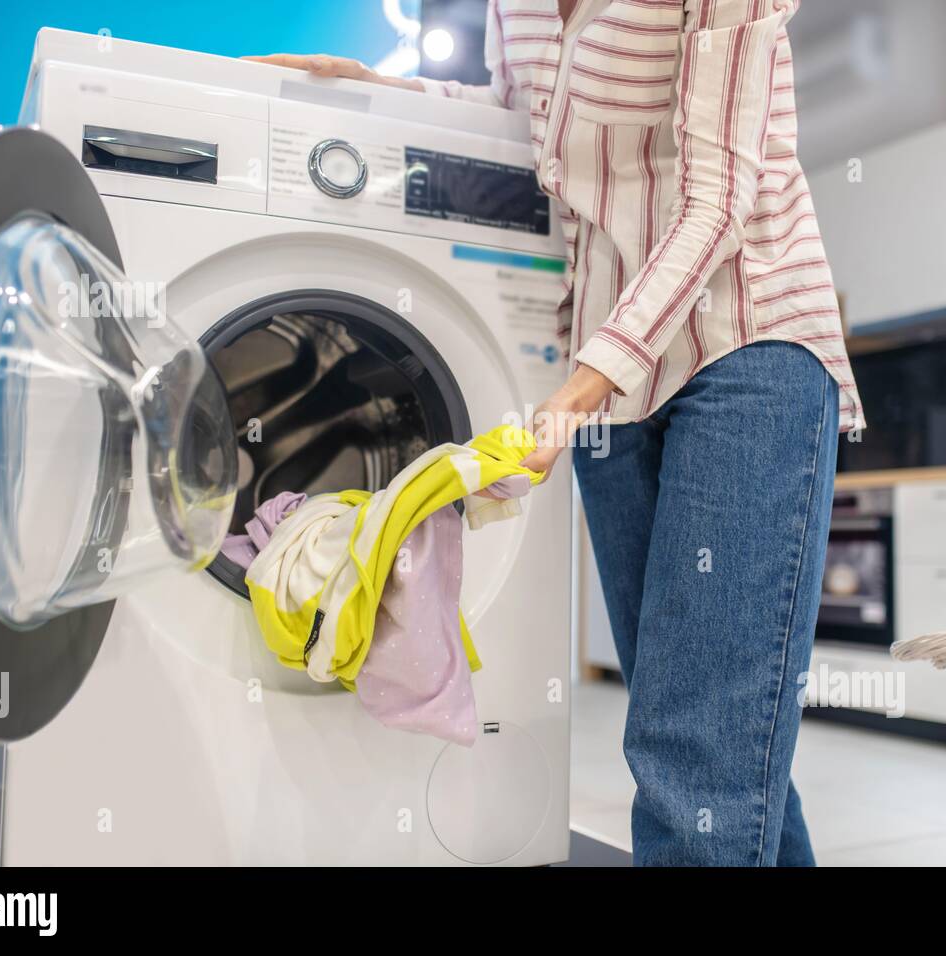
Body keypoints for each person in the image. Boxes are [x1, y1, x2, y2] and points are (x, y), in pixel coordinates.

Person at [249, 0, 863, 866]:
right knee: (720, 728)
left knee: (695, 748)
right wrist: (385, 93)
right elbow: (520, 122)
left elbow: (721, 202)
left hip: (744, 343)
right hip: (615, 374)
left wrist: (575, 391)